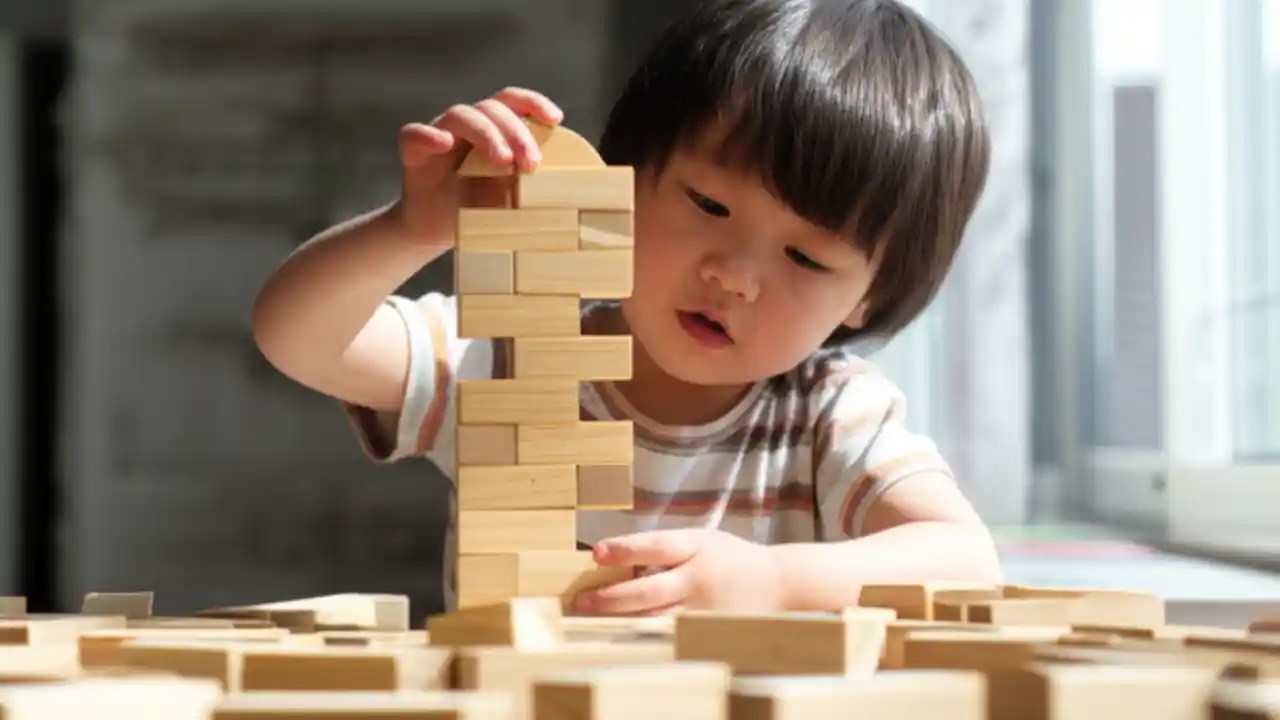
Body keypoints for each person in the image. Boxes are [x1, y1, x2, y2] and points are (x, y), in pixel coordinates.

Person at [251, 0, 1002, 616]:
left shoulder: (828, 415)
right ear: (624, 183)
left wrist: (773, 583)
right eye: (709, 204)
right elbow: (297, 338)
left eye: (805, 258)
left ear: (866, 297)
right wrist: (412, 228)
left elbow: (964, 559)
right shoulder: (510, 353)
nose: (735, 276)